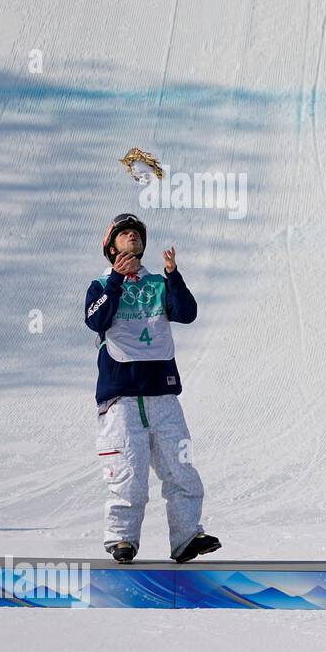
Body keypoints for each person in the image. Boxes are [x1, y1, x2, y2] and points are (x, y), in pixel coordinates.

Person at [84, 213, 221, 564]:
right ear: (111, 246)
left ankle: (188, 536)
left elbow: (187, 312)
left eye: (136, 234)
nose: (131, 238)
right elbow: (95, 319)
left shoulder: (159, 284)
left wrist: (173, 276)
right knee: (128, 471)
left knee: (181, 466)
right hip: (121, 397)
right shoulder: (101, 286)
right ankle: (121, 539)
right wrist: (116, 280)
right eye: (124, 234)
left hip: (163, 394)